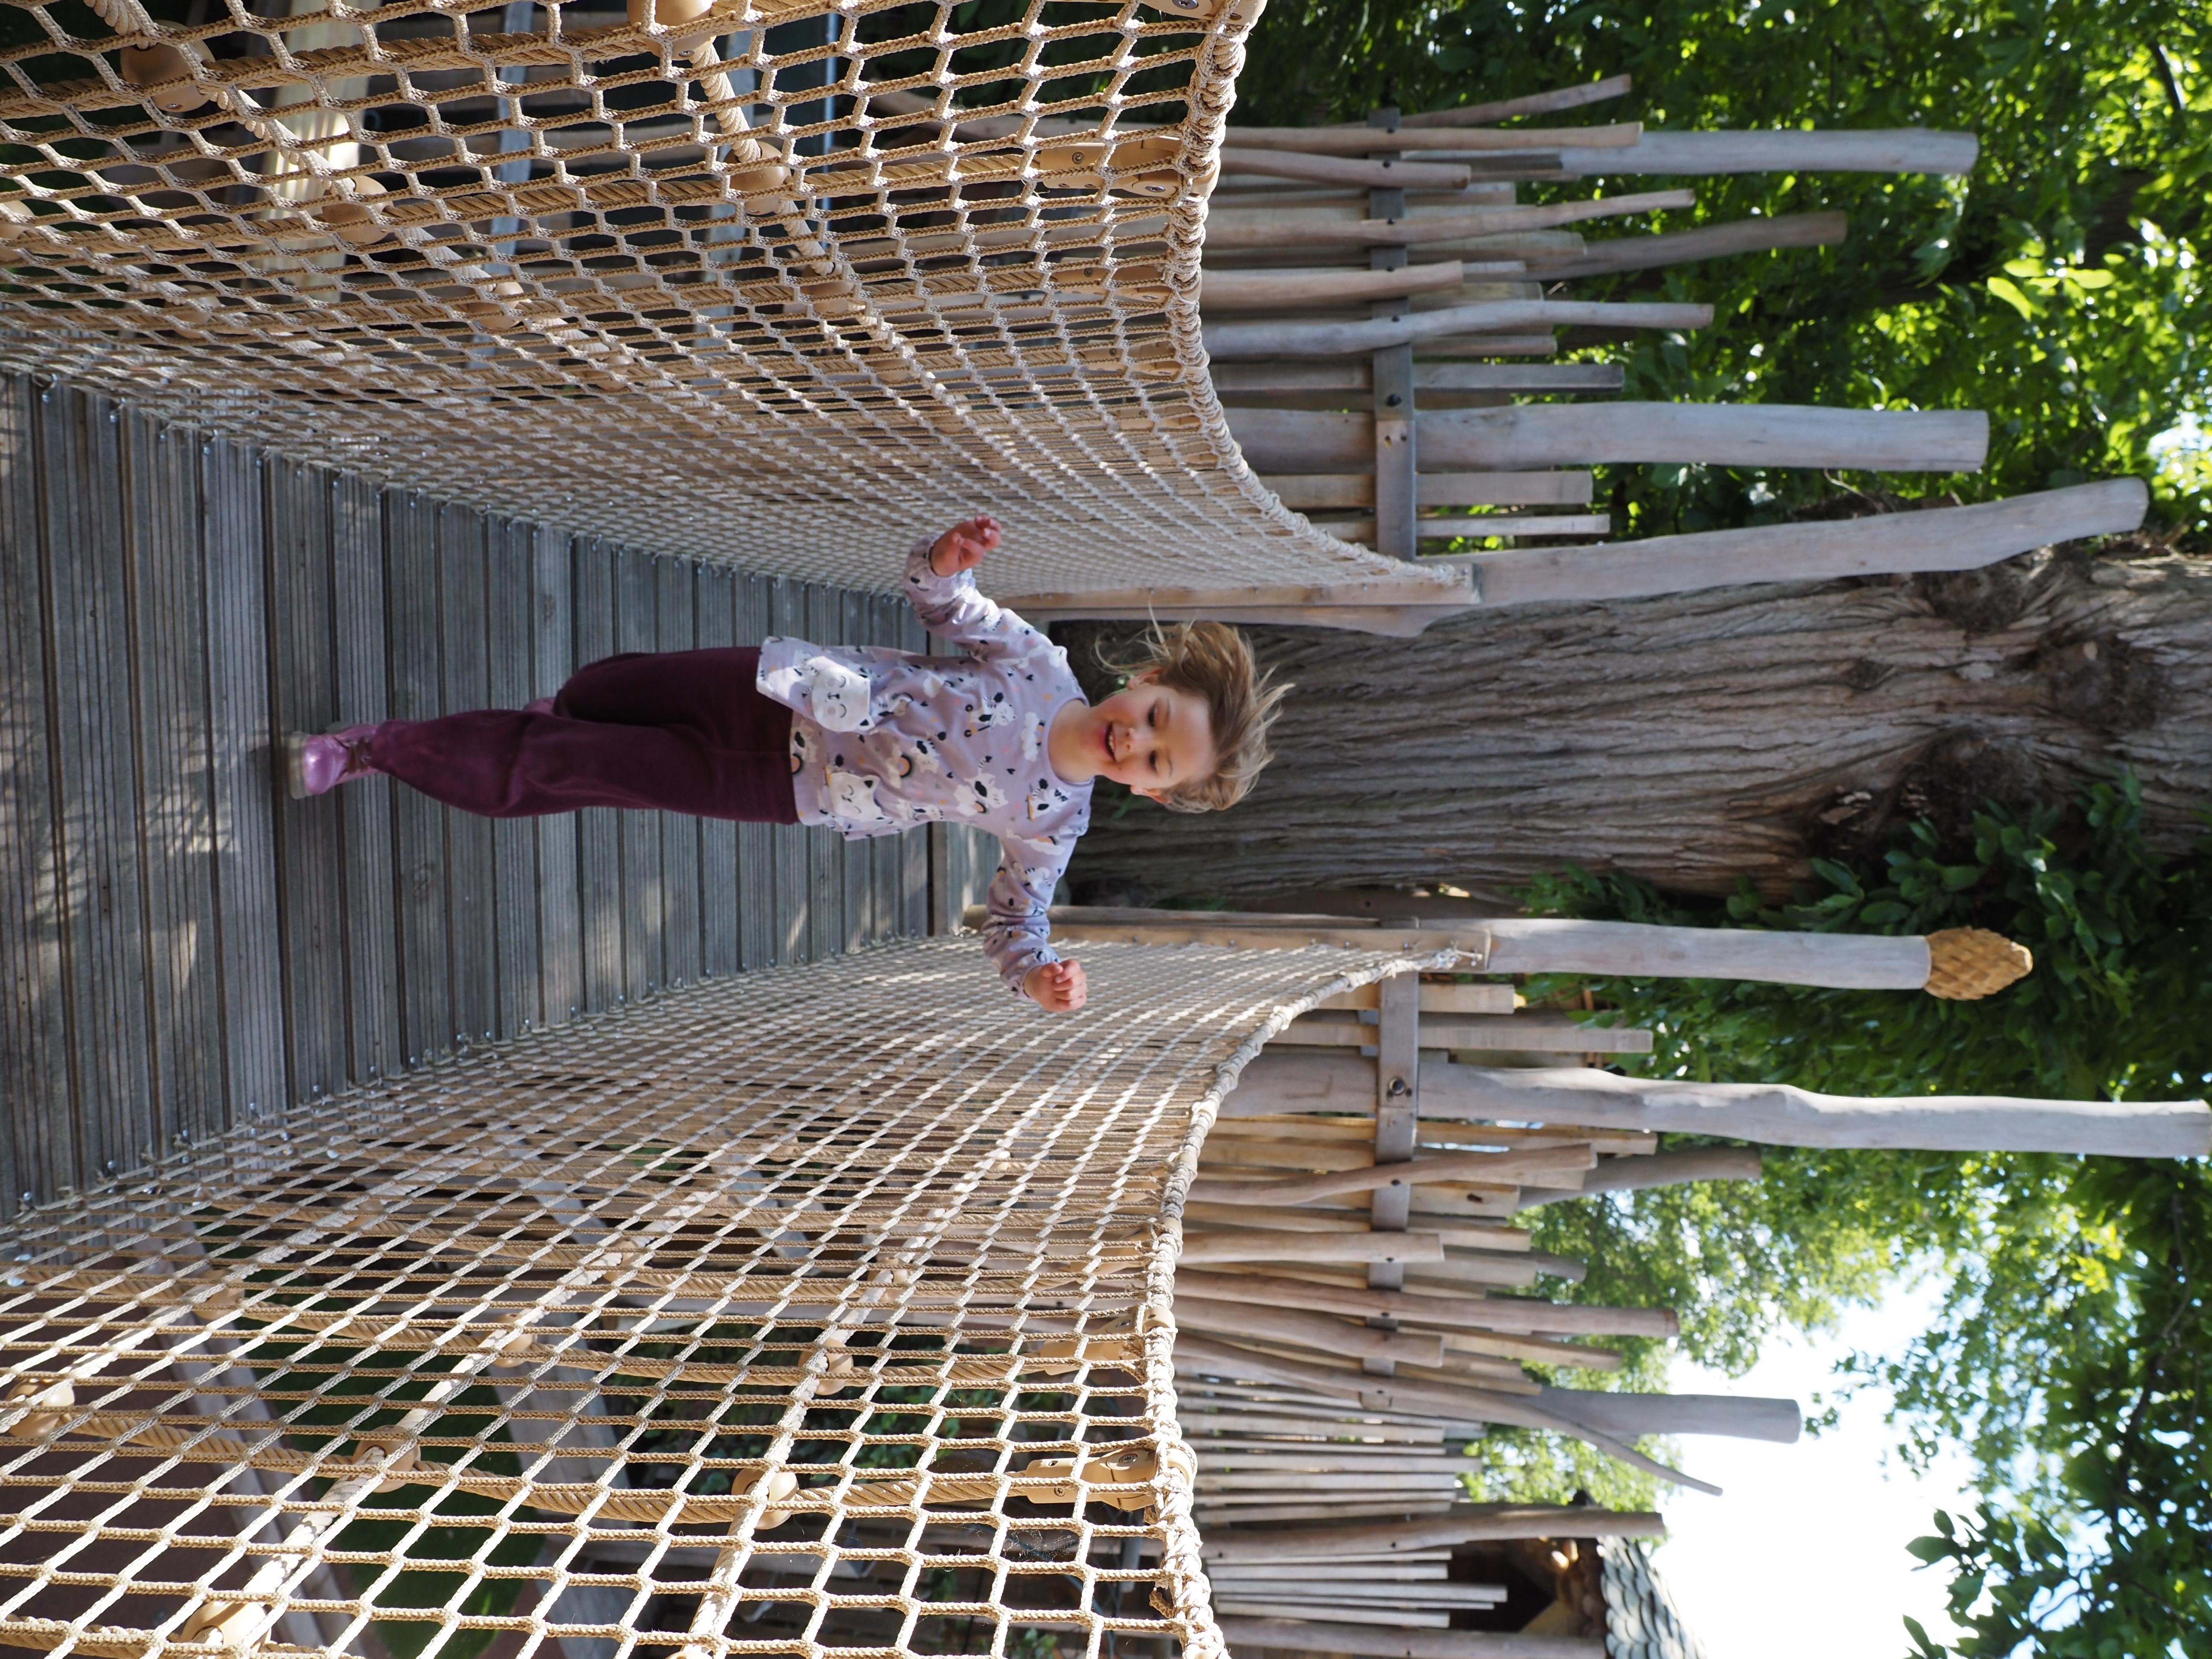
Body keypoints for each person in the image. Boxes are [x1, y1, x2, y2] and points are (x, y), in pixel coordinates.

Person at [284, 516, 1285, 1010]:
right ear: (1148, 676)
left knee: (565, 767)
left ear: (1155, 792)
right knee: (607, 693)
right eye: (1153, 716)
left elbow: (1013, 923)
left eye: (1156, 760)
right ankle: (557, 720)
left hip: (783, 787)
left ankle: (383, 749)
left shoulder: (1054, 826)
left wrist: (1036, 979)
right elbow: (941, 604)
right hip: (780, 689)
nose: (1136, 741)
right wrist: (947, 562)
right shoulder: (1038, 663)